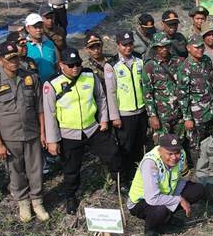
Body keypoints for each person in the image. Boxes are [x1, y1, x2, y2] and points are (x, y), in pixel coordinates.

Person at [43, 46, 120, 214]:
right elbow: (49, 114)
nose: (75, 68)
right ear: (61, 64)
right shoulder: (51, 84)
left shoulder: (89, 76)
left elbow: (100, 98)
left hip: (92, 128)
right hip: (68, 133)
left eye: (77, 63)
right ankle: (71, 196)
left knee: (113, 153)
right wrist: (52, 140)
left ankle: (119, 183)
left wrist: (103, 119)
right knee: (71, 168)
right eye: (70, 65)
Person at [0, 41, 48, 223]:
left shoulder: (31, 78)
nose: (14, 62)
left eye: (16, 58)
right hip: (10, 137)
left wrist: (43, 133)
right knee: (16, 170)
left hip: (32, 132)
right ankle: (23, 202)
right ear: (0, 60)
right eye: (9, 59)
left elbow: (40, 108)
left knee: (36, 169)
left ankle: (37, 201)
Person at [128, 133, 206, 236]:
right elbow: (152, 198)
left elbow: (182, 178)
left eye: (177, 153)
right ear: (160, 151)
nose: (174, 157)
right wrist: (178, 199)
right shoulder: (151, 163)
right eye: (169, 154)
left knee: (197, 190)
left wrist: (174, 198)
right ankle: (151, 230)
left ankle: (167, 218)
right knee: (161, 209)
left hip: (166, 194)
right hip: (142, 201)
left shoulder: (182, 155)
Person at [111, 30, 148, 184]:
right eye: (124, 45)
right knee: (126, 147)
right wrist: (114, 116)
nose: (128, 47)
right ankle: (125, 179)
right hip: (124, 113)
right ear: (118, 45)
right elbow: (111, 92)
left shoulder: (139, 60)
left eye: (130, 44)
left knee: (140, 144)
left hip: (141, 110)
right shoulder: (112, 64)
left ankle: (139, 176)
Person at [176, 33, 213, 164]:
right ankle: (198, 172)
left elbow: (211, 84)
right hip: (196, 115)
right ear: (188, 48)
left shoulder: (206, 60)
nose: (200, 50)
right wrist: (187, 118)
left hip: (210, 111)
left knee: (211, 142)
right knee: (195, 145)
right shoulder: (185, 68)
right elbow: (182, 96)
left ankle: (212, 168)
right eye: (196, 47)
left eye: (201, 47)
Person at [142, 33, 183, 142]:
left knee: (178, 144)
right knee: (162, 147)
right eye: (161, 47)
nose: (164, 49)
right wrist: (152, 116)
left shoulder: (177, 62)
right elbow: (147, 93)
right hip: (161, 116)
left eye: (167, 46)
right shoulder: (150, 66)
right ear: (155, 48)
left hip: (178, 114)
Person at [24, 13, 58, 84]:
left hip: (52, 85)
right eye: (35, 27)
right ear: (27, 28)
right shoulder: (24, 47)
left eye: (40, 26)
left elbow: (56, 64)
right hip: (35, 88)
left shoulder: (50, 44)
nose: (38, 30)